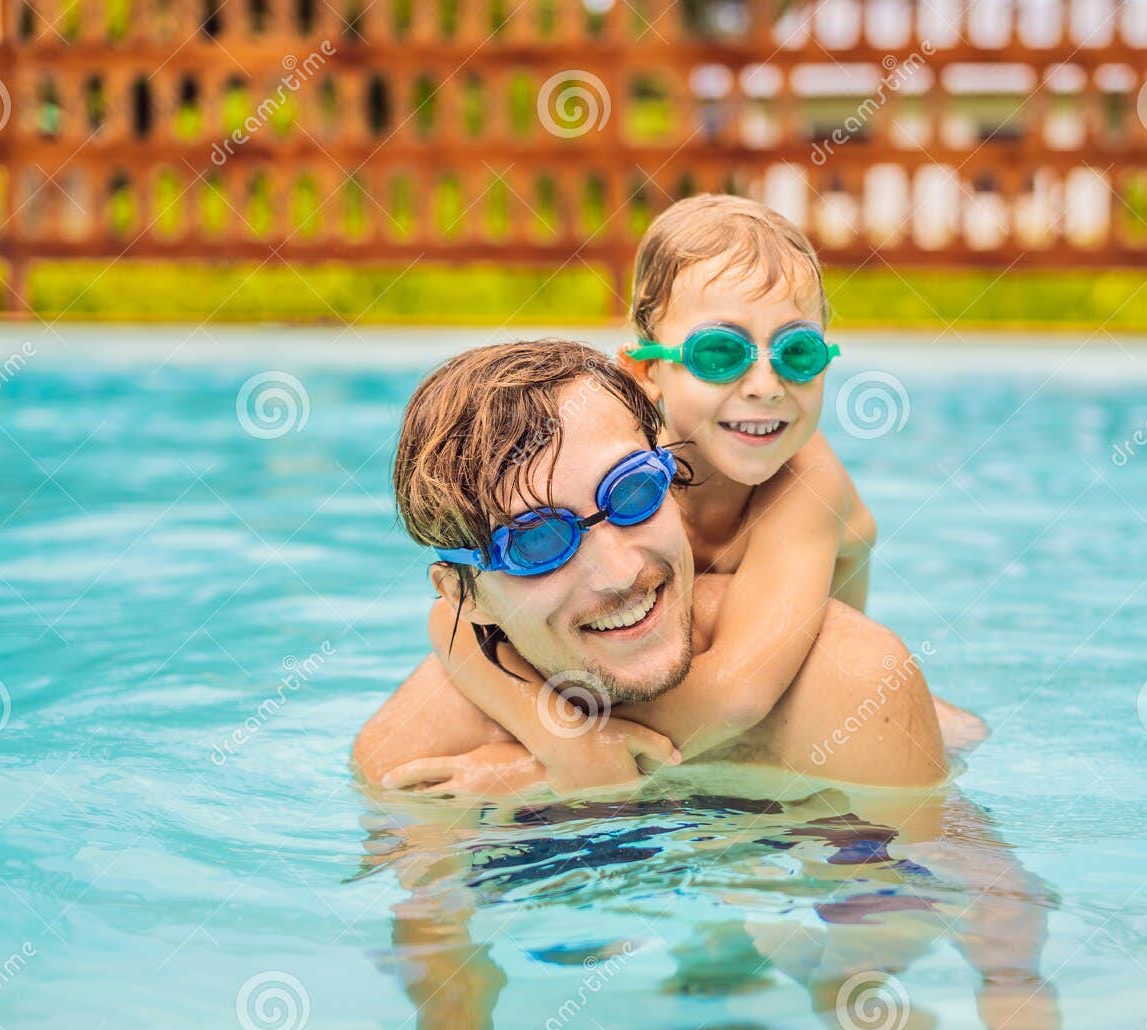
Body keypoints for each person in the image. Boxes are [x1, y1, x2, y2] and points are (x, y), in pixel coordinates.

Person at [415, 194, 984, 794]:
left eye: (798, 352)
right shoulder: (622, 472)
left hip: (814, 702)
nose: (766, 386)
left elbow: (738, 694)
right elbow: (452, 609)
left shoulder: (809, 482)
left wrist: (547, 765)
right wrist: (556, 734)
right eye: (720, 354)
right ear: (646, 370)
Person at [352, 338, 954, 797]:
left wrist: (553, 759)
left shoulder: (849, 689)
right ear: (464, 595)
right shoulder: (417, 758)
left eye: (634, 493)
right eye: (537, 542)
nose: (616, 574)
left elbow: (950, 906)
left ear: (674, 482)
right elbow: (439, 955)